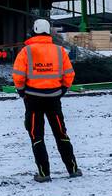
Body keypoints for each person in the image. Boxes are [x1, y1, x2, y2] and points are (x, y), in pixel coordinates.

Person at [11, 18, 81, 181]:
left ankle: (44, 173)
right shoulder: (59, 51)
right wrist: (62, 89)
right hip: (54, 99)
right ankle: (73, 169)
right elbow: (69, 74)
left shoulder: (26, 51)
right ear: (48, 31)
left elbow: (18, 76)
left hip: (33, 100)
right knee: (61, 133)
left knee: (37, 136)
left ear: (34, 31)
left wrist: (22, 92)